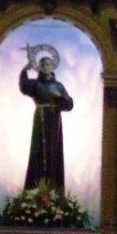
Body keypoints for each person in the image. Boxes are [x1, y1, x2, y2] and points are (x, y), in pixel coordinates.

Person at [19, 45, 73, 192]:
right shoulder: (35, 84)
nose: (45, 67)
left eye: (48, 64)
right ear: (39, 67)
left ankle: (54, 189)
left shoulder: (58, 86)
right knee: (38, 150)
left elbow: (69, 104)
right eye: (42, 64)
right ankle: (36, 187)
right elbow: (24, 87)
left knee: (53, 150)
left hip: (54, 121)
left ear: (52, 66)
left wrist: (60, 97)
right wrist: (25, 70)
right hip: (40, 119)